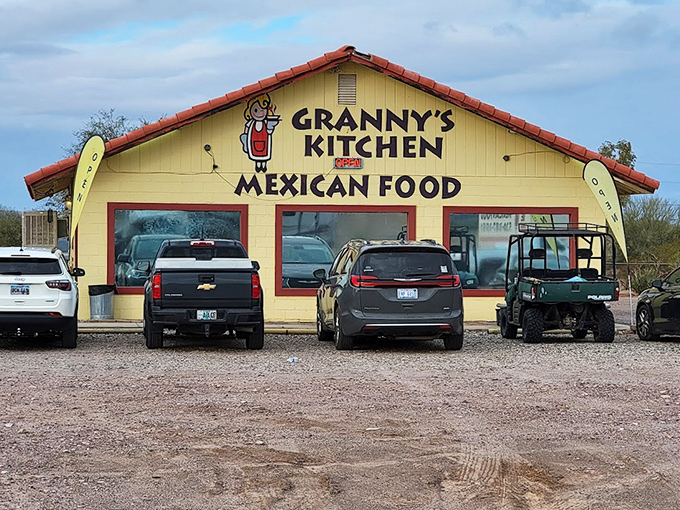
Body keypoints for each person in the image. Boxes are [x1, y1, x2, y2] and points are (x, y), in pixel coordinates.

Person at [240, 93, 280, 172]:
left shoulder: (266, 123)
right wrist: (245, 138)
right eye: (256, 110)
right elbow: (246, 131)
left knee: (265, 152)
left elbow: (269, 131)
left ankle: (264, 164)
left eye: (263, 110)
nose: (260, 113)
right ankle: (258, 164)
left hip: (264, 141)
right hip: (253, 141)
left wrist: (271, 126)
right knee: (255, 152)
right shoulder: (250, 123)